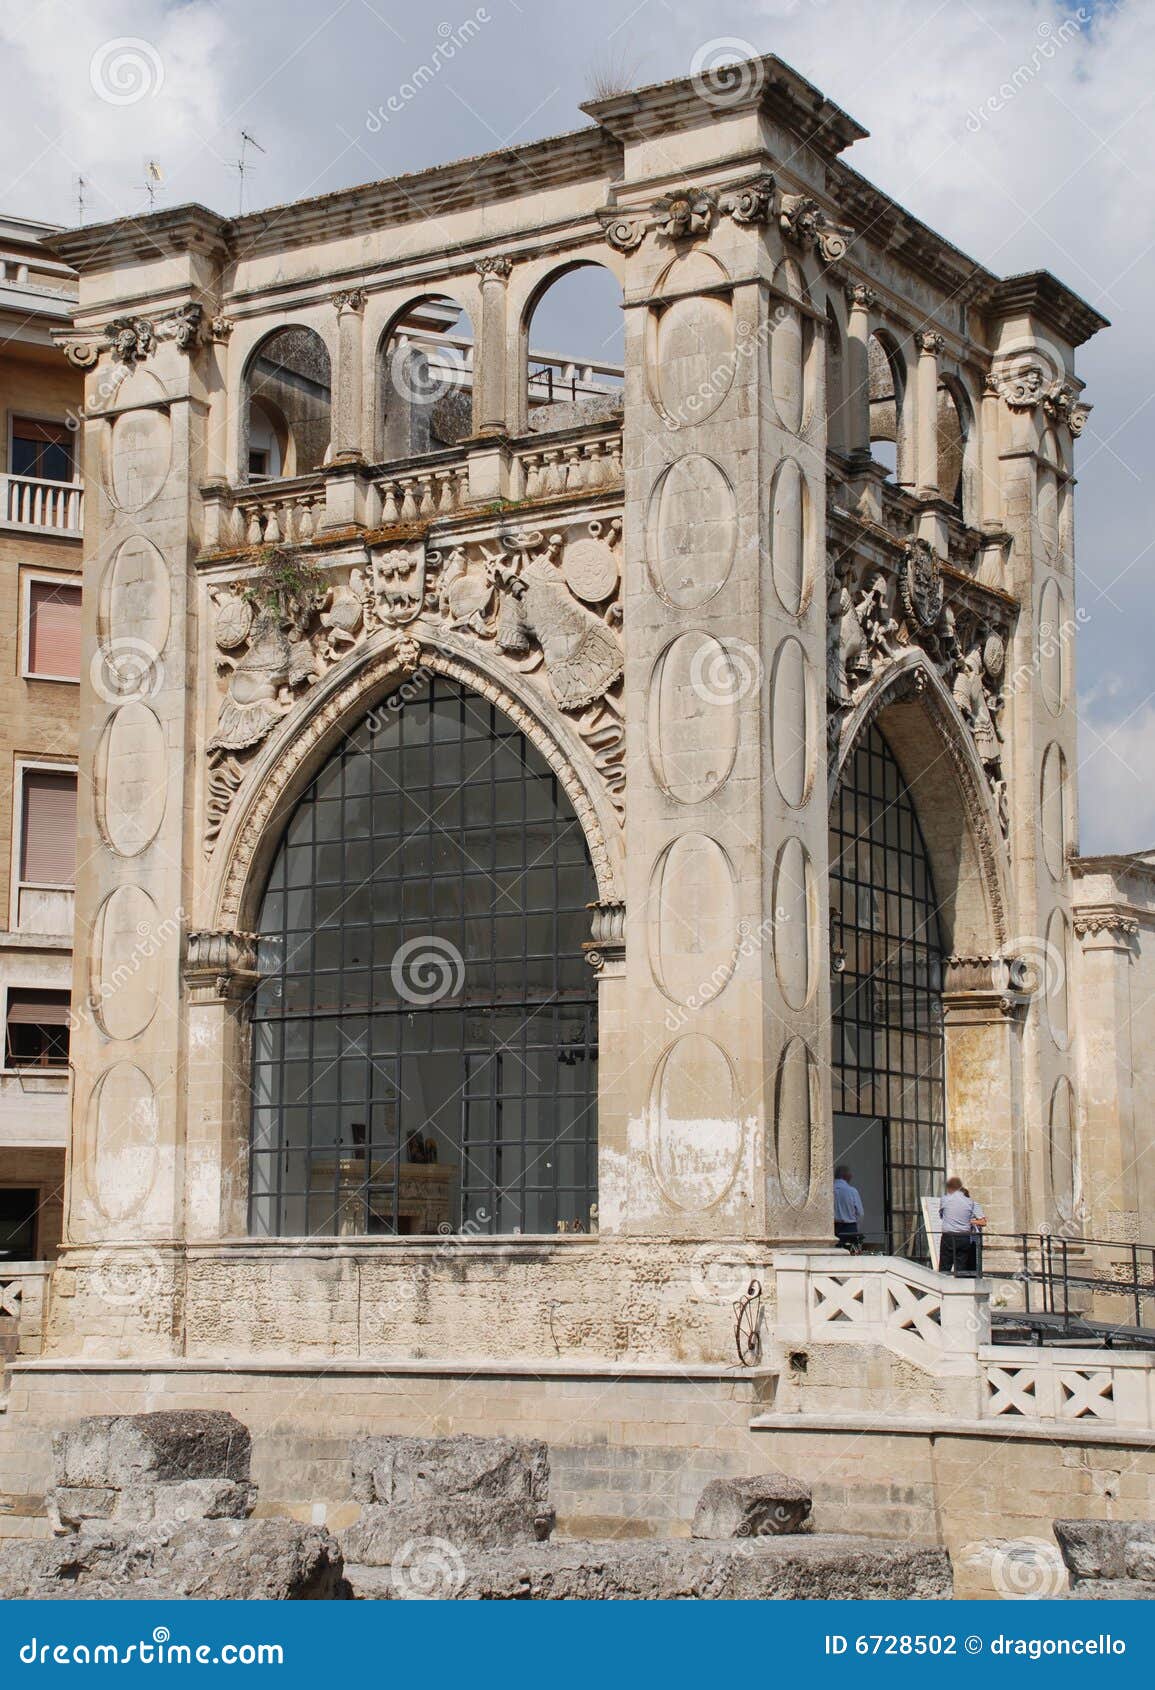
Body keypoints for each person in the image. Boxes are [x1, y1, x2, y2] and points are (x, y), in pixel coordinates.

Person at [938, 1176, 986, 1274]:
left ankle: (942, 1286)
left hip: (949, 1235)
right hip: (964, 1236)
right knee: (961, 1266)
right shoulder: (970, 1202)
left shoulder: (945, 1199)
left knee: (945, 1265)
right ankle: (960, 1287)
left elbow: (942, 1215)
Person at [833, 1165, 865, 1248]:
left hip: (832, 1228)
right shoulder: (852, 1191)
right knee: (850, 1255)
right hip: (849, 1227)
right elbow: (860, 1213)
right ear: (846, 1176)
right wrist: (857, 1228)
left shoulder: (828, 1189)